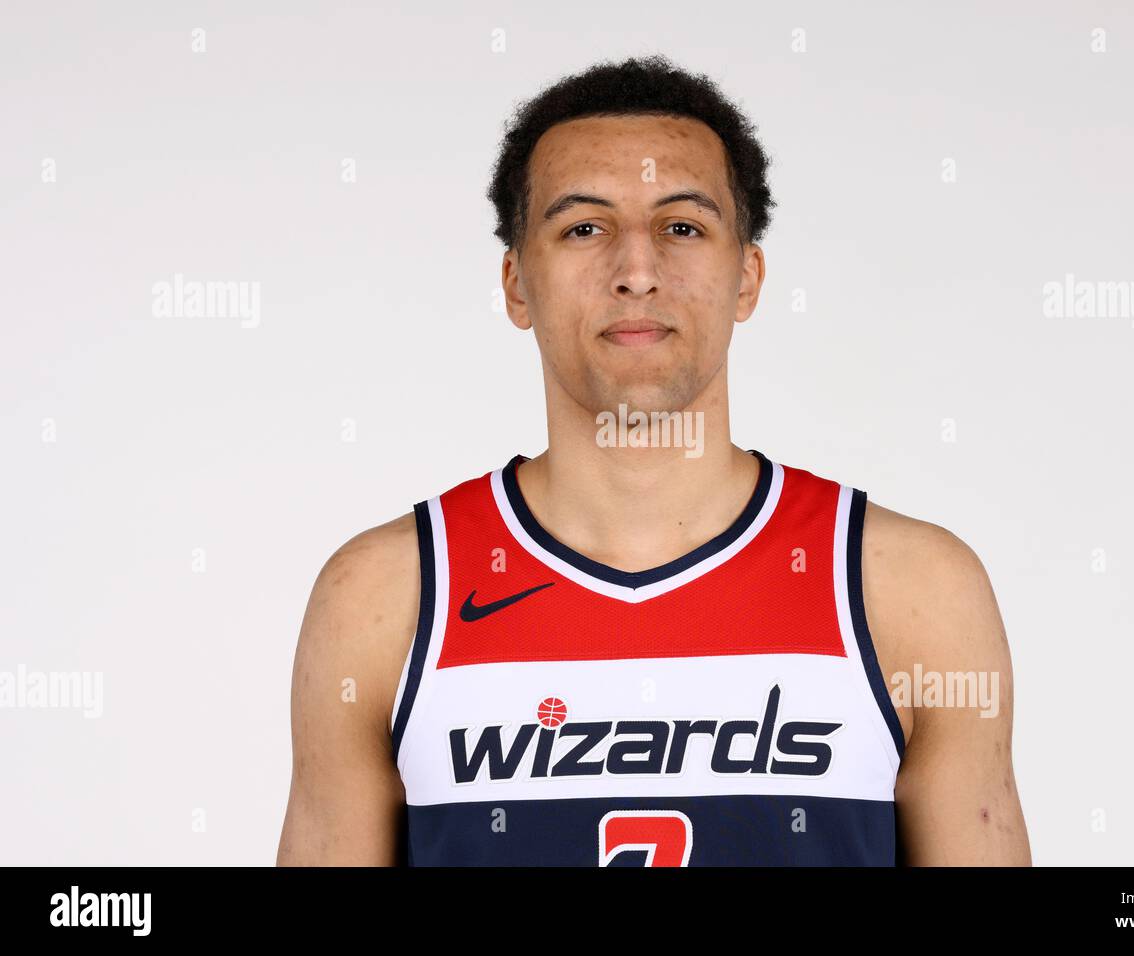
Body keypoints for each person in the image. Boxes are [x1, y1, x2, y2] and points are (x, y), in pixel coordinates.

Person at [276, 54, 1030, 866]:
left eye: (682, 227)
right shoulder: (384, 597)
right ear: (517, 284)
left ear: (748, 277)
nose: (637, 272)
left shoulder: (911, 591)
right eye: (584, 228)